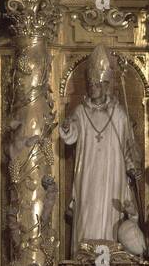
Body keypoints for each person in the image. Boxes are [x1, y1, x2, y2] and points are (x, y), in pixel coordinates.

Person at [60, 45, 140, 251]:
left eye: (98, 85)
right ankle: (83, 253)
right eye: (91, 85)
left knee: (110, 214)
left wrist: (132, 165)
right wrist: (68, 127)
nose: (93, 88)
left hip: (113, 175)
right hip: (88, 174)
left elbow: (128, 144)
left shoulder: (119, 114)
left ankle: (111, 253)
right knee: (87, 212)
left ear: (106, 85)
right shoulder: (80, 111)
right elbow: (71, 136)